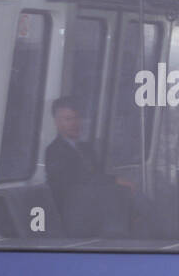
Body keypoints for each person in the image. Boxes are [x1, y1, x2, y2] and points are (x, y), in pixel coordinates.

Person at [44, 96, 137, 237]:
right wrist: (114, 181)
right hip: (72, 211)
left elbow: (97, 174)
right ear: (57, 123)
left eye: (76, 118)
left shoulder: (86, 148)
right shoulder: (54, 151)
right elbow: (77, 181)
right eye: (68, 119)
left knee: (129, 198)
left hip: (95, 203)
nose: (74, 124)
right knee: (121, 197)